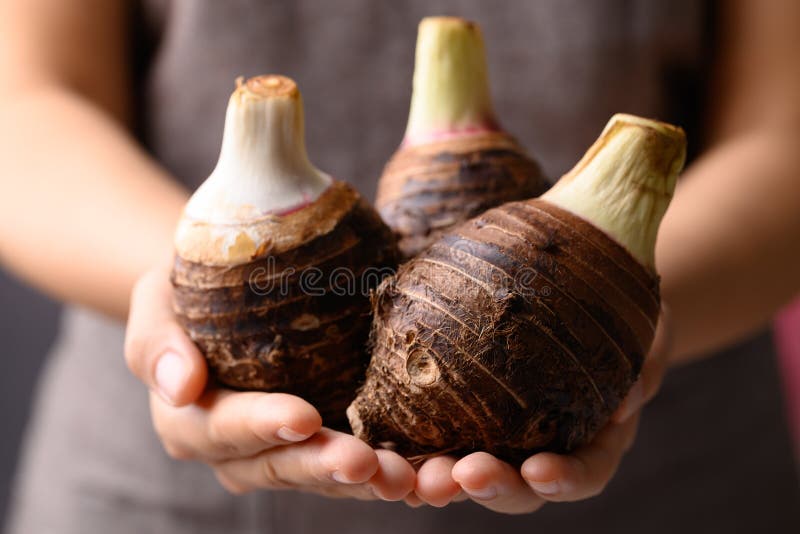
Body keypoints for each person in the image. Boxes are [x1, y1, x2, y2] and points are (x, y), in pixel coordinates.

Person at [2, 0, 799, 532]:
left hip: (670, 476)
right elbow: (25, 105)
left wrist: (615, 311)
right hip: (158, 491)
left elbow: (785, 136)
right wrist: (190, 288)